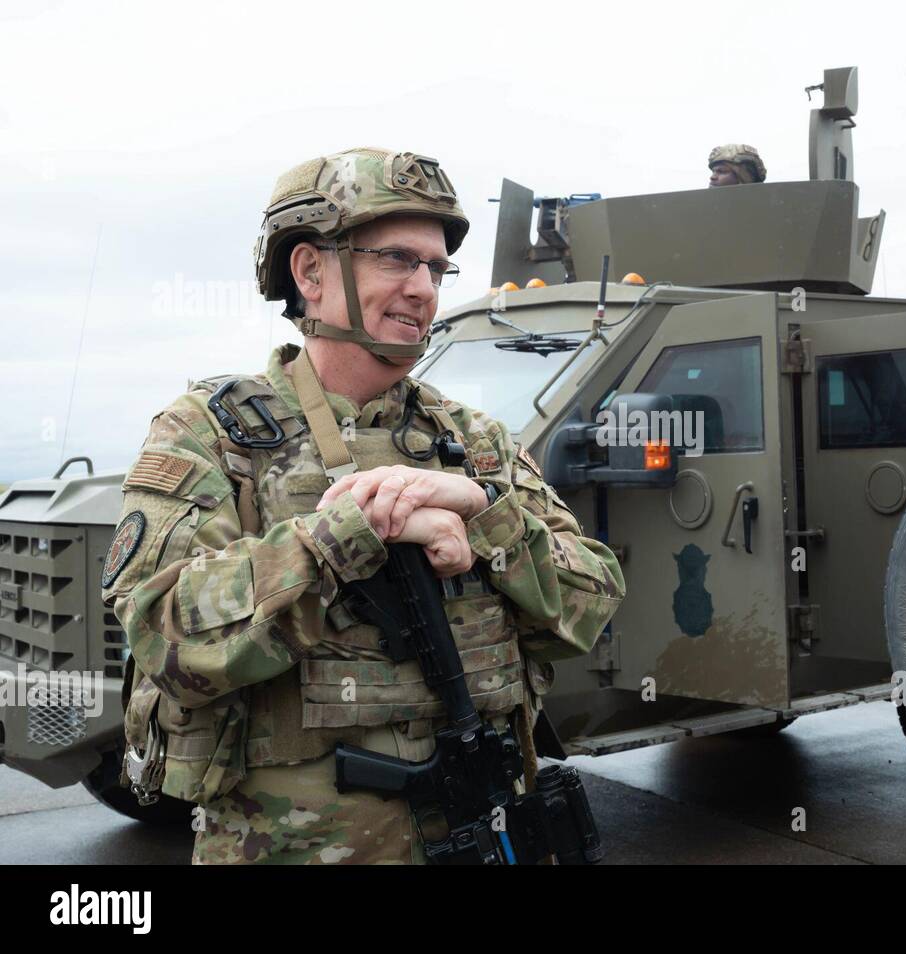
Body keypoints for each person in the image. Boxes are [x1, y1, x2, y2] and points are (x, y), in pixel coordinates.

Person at [102, 147, 625, 864]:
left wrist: (484, 514)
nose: (424, 289)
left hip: (484, 835)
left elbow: (592, 606)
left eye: (437, 269)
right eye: (397, 260)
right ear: (311, 272)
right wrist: (354, 531)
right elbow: (163, 634)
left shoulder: (473, 443)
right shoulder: (211, 435)